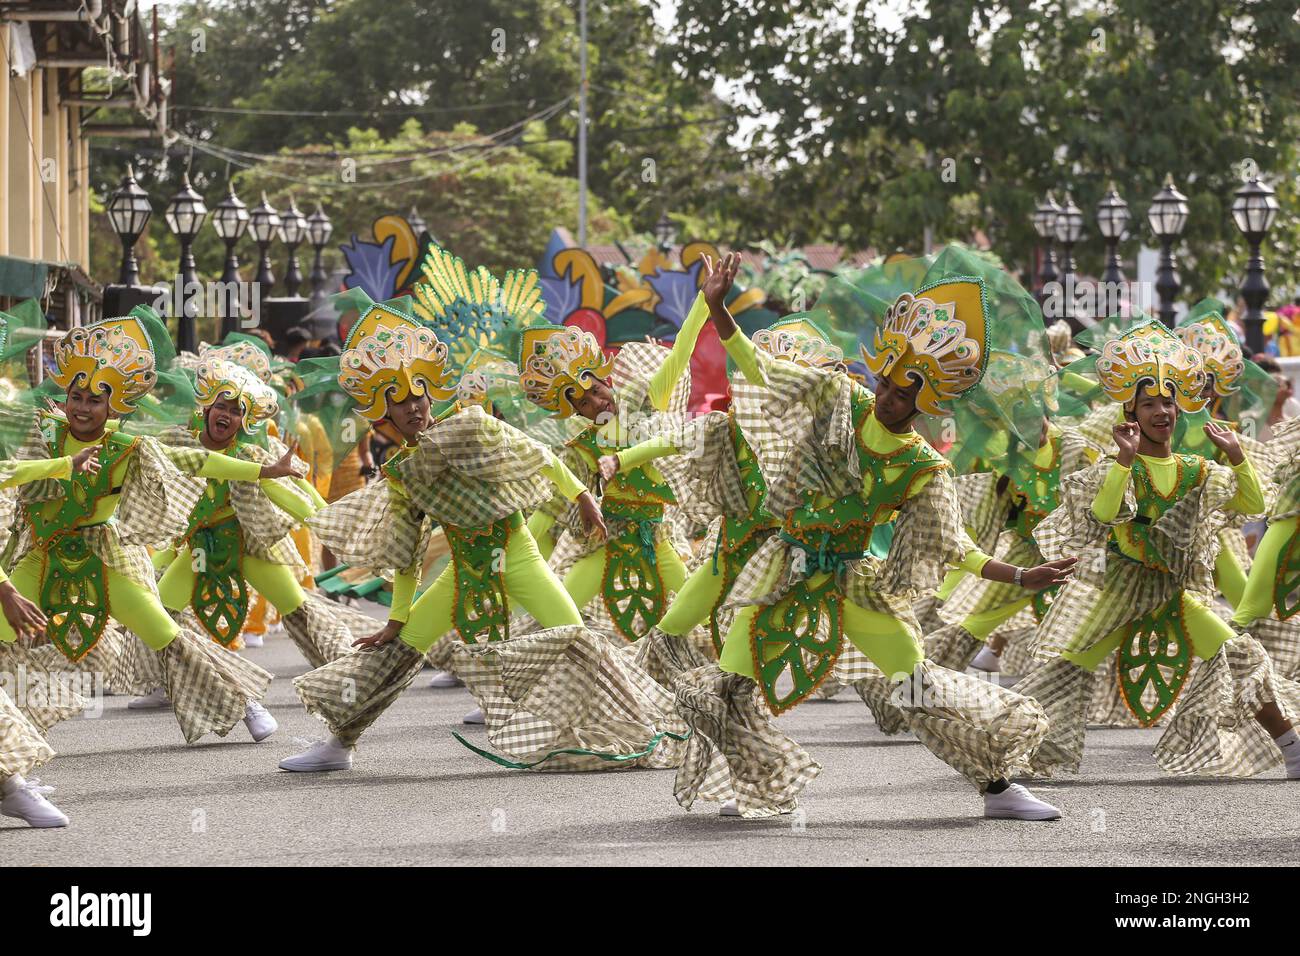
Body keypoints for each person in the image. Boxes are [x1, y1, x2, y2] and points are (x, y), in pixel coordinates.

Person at [669, 248, 1074, 820]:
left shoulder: (922, 468)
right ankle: (754, 782)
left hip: (854, 582)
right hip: (782, 571)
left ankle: (999, 789)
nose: (888, 397)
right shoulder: (839, 401)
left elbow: (950, 543)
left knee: (917, 686)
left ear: (928, 403)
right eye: (886, 383)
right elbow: (767, 373)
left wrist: (1019, 574)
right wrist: (719, 310)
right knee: (730, 683)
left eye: (905, 394)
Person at [281, 278, 683, 773]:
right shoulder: (402, 471)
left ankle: (641, 727)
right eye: (399, 400)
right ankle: (339, 744)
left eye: (419, 394)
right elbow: (406, 552)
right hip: (462, 572)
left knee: (576, 639)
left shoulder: (472, 426)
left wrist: (581, 496)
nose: (413, 406)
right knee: (397, 652)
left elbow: (538, 455)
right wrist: (396, 618)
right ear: (383, 413)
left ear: (431, 394)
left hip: (517, 557)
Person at [1016, 319, 1300, 778]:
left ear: (1179, 409)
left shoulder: (1197, 469)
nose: (1160, 411)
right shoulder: (1116, 464)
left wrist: (1236, 456)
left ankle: (1291, 748)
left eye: (1167, 402)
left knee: (1239, 654)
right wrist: (1124, 462)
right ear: (1132, 414)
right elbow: (1105, 516)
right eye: (1149, 404)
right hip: (1120, 588)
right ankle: (1012, 752)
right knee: (1064, 671)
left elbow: (1254, 505)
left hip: (1173, 591)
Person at [1, 308, 299, 745]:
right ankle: (15, 749)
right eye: (76, 397)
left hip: (104, 555)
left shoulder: (128, 448)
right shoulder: (45, 432)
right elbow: (10, 471)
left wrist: (264, 472)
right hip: (43, 553)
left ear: (113, 403)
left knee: (164, 633)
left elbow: (194, 460)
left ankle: (243, 701)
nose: (83, 408)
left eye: (95, 400)